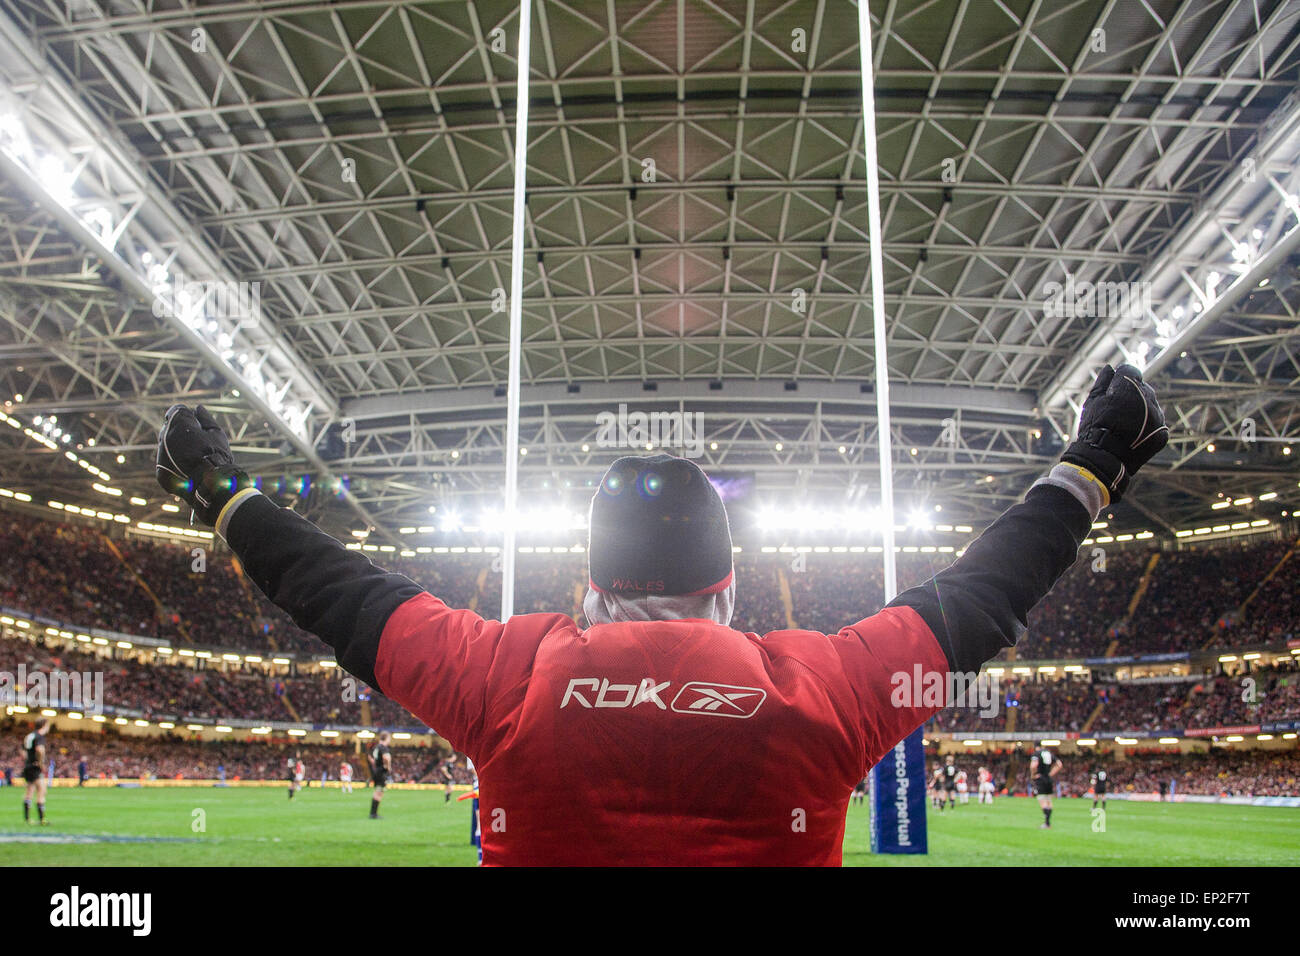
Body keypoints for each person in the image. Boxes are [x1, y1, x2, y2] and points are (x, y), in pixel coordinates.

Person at [153, 364, 1168, 865]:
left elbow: (340, 592)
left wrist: (218, 486)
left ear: (587, 584)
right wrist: (1092, 464)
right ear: (727, 586)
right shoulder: (816, 687)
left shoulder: (512, 673)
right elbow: (979, 598)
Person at [21, 718, 50, 825]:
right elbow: (40, 750)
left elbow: (23, 750)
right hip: (35, 767)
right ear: (44, 725)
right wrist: (40, 763)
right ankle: (42, 819)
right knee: (42, 790)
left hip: (28, 766)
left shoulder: (29, 736)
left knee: (29, 791)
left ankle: (27, 819)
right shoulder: (39, 737)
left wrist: (29, 760)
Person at [1030, 744, 1062, 829]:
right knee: (1049, 801)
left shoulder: (1037, 753)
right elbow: (1059, 764)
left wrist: (1033, 775)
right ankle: (1048, 823)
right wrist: (1050, 774)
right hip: (1048, 779)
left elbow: (1033, 765)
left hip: (1040, 779)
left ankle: (1047, 823)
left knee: (1042, 800)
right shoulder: (1049, 753)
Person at [368, 732, 392, 819]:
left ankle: (373, 813)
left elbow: (370, 758)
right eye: (389, 738)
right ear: (386, 738)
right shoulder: (383, 747)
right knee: (379, 792)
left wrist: (376, 765)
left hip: (376, 771)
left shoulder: (376, 747)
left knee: (377, 791)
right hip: (382, 772)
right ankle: (373, 814)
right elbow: (386, 757)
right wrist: (388, 766)